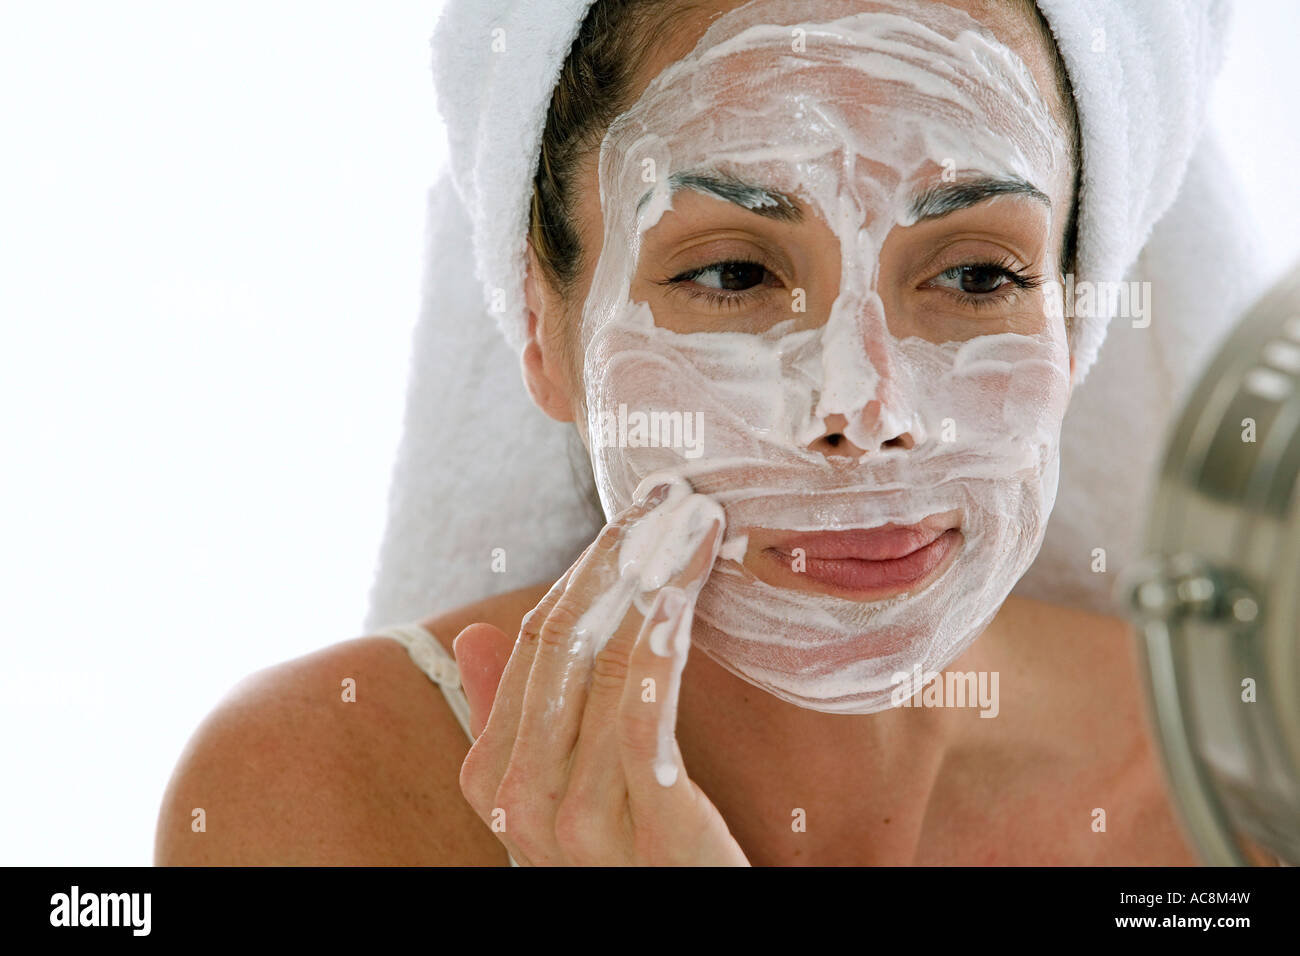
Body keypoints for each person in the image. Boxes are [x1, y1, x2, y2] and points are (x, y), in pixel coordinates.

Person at [154, 0, 1279, 866]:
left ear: (1076, 323)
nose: (865, 411)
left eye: (978, 273)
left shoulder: (1240, 772)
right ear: (542, 325)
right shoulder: (324, 795)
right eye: (734, 273)